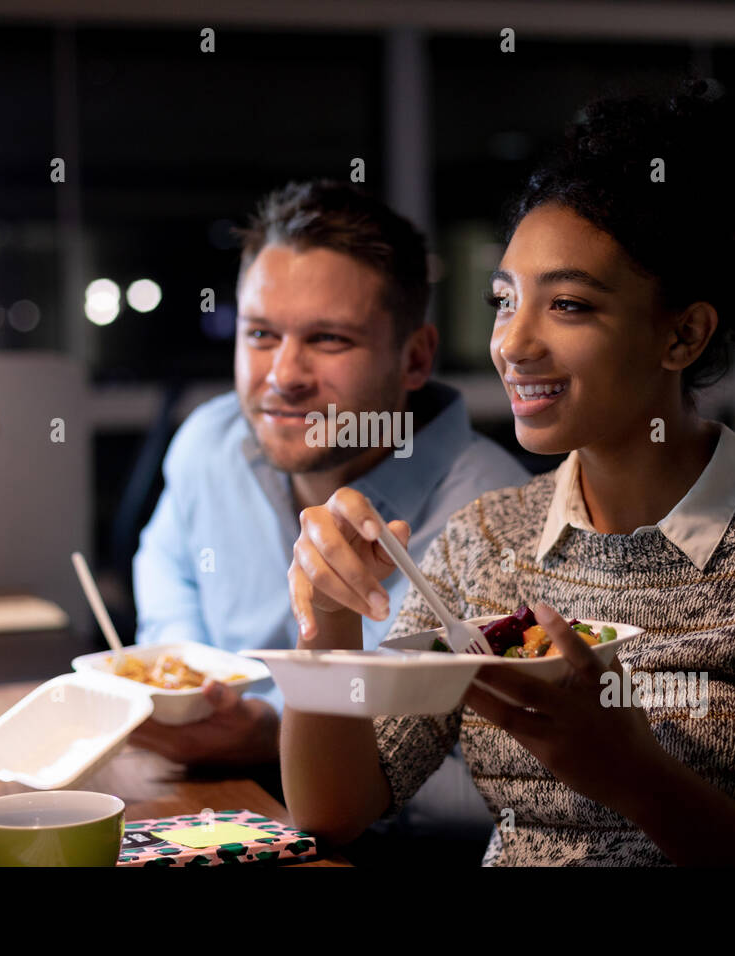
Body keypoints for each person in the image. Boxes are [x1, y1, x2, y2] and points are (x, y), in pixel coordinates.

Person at [281, 80, 735, 866]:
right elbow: (338, 811)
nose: (514, 344)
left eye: (568, 307)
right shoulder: (485, 544)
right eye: (505, 300)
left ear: (683, 335)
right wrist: (328, 631)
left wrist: (633, 777)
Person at [129, 179, 531, 846]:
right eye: (260, 334)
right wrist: (193, 698)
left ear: (415, 358)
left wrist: (277, 738)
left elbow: (506, 794)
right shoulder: (210, 444)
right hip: (207, 819)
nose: (284, 375)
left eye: (328, 340)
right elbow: (163, 578)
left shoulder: (496, 519)